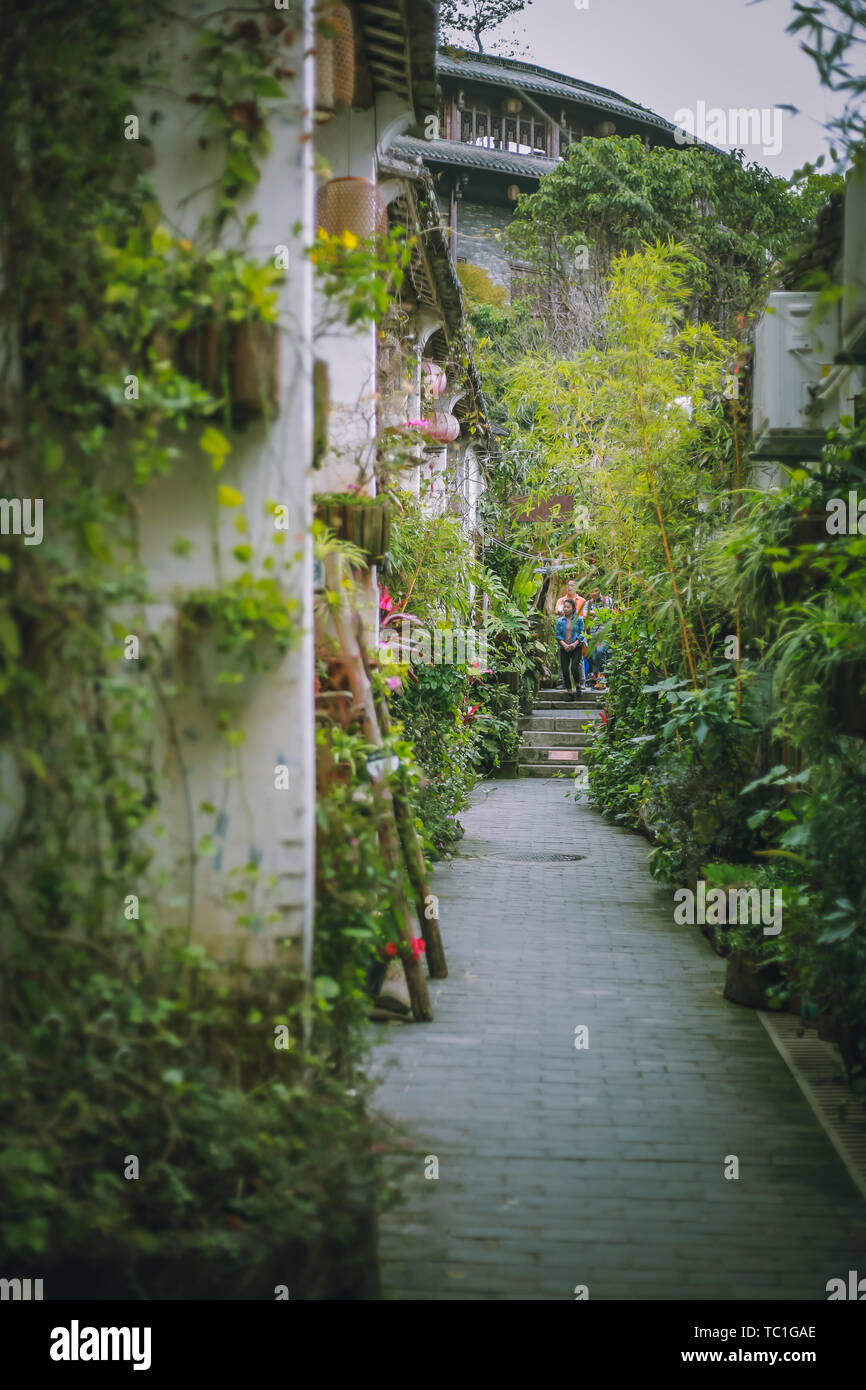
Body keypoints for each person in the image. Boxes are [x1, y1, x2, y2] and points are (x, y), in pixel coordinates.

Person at [555, 598, 586, 699]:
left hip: (576, 647)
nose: (566, 609)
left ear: (573, 608)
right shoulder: (559, 621)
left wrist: (574, 644)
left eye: (568, 607)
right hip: (564, 648)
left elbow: (582, 633)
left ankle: (578, 687)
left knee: (574, 668)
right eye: (564, 607)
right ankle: (569, 693)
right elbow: (558, 635)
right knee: (565, 670)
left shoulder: (579, 619)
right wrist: (564, 645)